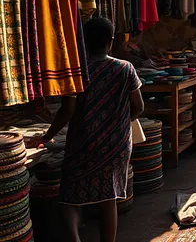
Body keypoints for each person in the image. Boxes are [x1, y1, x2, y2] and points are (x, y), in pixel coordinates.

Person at [31, 17, 144, 242]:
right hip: (116, 144)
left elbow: (67, 111)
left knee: (69, 200)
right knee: (108, 198)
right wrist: (120, 124)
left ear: (83, 41)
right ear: (110, 42)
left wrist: (46, 137)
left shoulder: (76, 72)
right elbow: (139, 107)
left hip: (82, 142)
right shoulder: (125, 68)